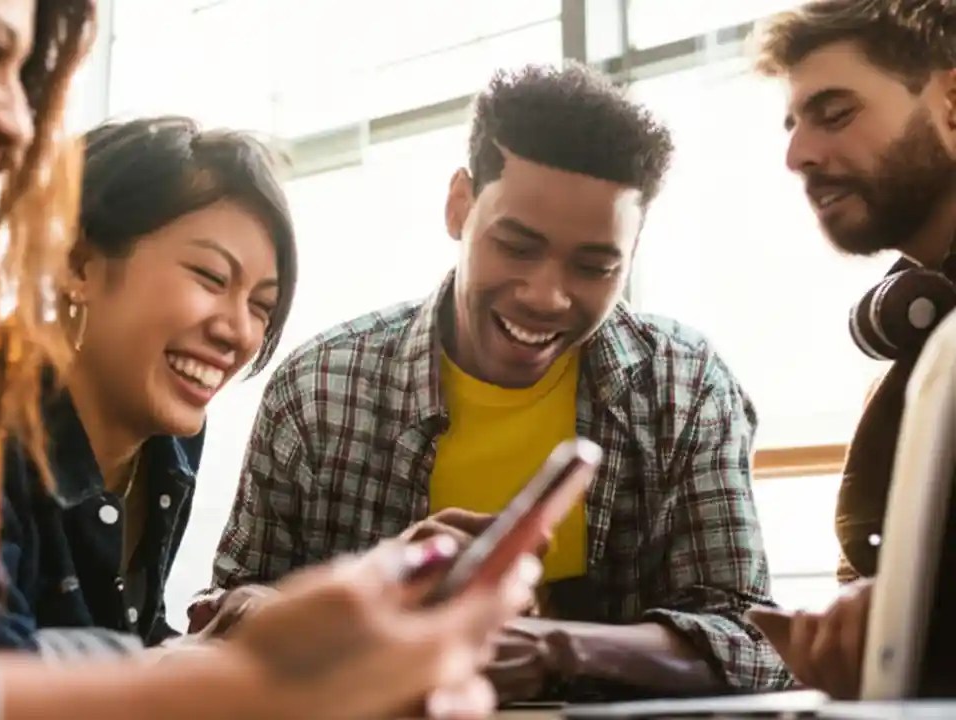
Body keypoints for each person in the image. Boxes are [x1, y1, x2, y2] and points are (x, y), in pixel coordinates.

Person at [0, 1, 536, 717]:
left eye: (262, 306)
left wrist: (247, 649)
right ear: (79, 264)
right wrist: (240, 681)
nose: (16, 123)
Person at [198, 61, 791, 701]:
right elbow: (222, 618)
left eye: (594, 266)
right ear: (460, 206)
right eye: (517, 246)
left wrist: (555, 646)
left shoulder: (685, 387)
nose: (547, 296)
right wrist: (364, 603)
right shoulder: (319, 388)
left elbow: (753, 645)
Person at [0, 116, 298, 653]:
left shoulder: (170, 440)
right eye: (211, 277)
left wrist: (240, 637)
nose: (239, 331)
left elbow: (119, 639)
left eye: (261, 306)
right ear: (79, 264)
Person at [749, 0, 956, 698]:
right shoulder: (918, 361)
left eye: (834, 114)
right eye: (794, 124)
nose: (797, 154)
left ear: (952, 104)